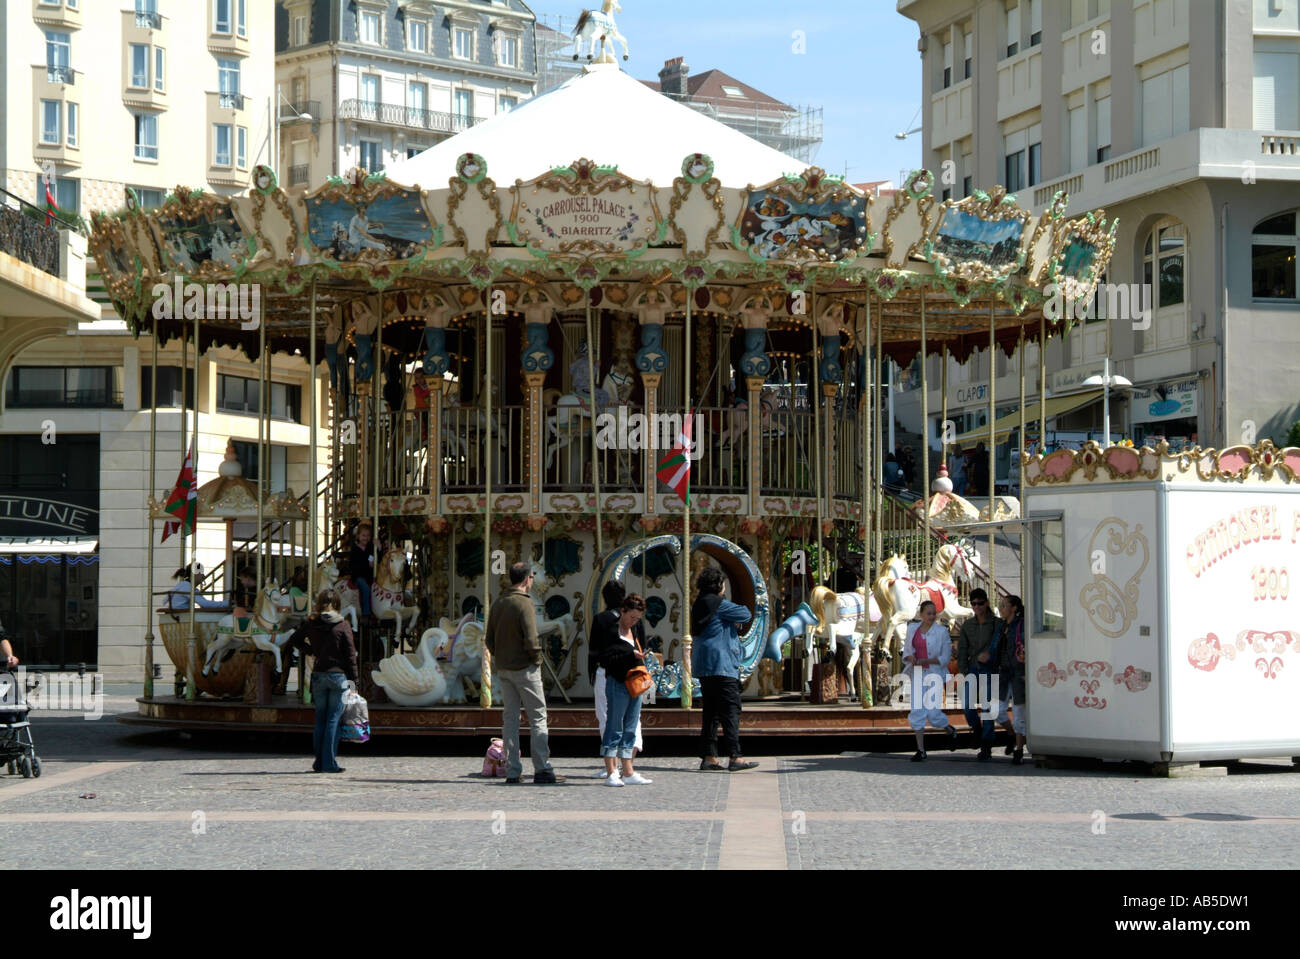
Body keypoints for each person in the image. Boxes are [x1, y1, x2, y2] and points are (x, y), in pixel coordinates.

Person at [485, 562, 561, 784]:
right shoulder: (524, 603)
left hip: (505, 669)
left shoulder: (499, 602)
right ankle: (542, 767)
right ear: (528, 579)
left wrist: (501, 657)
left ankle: (512, 769)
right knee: (537, 716)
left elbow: (489, 638)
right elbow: (531, 637)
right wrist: (536, 659)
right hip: (525, 669)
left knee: (510, 719)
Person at [692, 567, 758, 772]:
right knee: (730, 710)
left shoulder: (699, 604)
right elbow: (745, 614)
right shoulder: (719, 604)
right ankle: (735, 756)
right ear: (719, 585)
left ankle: (709, 756)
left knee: (710, 712)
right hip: (722, 664)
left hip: (705, 664)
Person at [288, 589, 358, 774]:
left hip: (318, 675)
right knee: (333, 719)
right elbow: (350, 655)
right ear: (336, 603)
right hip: (338, 676)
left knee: (320, 720)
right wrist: (354, 681)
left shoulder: (312, 623)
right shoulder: (343, 625)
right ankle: (329, 763)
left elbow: (294, 639)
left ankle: (319, 762)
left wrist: (311, 651)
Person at [588, 580, 645, 777]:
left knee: (609, 719)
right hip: (626, 676)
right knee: (627, 722)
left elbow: (594, 651)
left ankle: (615, 767)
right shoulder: (622, 626)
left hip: (612, 674)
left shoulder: (601, 619)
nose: (634, 620)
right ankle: (620, 767)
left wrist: (591, 674)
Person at [597, 594, 652, 786]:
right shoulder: (611, 630)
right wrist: (630, 654)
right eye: (631, 617)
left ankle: (628, 771)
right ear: (623, 611)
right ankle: (611, 771)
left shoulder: (635, 628)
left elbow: (638, 649)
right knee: (614, 725)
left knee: (631, 726)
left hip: (634, 682)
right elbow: (605, 658)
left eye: (637, 618)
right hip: (617, 681)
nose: (634, 621)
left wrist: (640, 655)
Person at [904, 600, 959, 761]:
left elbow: (946, 656)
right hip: (917, 673)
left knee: (934, 714)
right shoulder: (912, 629)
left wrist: (927, 661)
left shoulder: (941, 631)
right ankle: (920, 749)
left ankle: (949, 729)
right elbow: (907, 650)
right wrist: (911, 658)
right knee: (917, 710)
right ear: (921, 614)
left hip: (934, 672)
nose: (932, 616)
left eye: (934, 613)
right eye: (928, 613)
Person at [956, 588, 999, 760]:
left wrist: (990, 655)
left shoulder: (996, 623)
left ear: (986, 603)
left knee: (988, 707)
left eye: (980, 603)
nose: (977, 606)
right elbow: (962, 648)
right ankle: (977, 730)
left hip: (990, 668)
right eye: (973, 604)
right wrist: (963, 668)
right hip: (972, 668)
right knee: (967, 704)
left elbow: (998, 644)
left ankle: (986, 744)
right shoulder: (968, 625)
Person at [997, 594, 1028, 765]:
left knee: (1018, 714)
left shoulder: (1020, 625)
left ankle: (1019, 749)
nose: (1001, 608)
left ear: (1014, 608)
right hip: (1004, 672)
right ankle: (1011, 734)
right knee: (997, 710)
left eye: (1004, 605)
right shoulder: (1002, 626)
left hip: (1017, 672)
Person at [349, 523, 375, 620]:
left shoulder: (370, 548)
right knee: (365, 588)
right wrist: (368, 564)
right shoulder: (355, 550)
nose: (366, 538)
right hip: (358, 576)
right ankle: (366, 613)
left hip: (368, 576)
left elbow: (376, 557)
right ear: (358, 536)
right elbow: (354, 565)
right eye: (363, 535)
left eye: (368, 535)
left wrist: (379, 547)